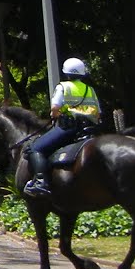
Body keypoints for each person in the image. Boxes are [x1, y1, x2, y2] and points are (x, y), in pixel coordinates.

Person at [23, 57, 104, 198]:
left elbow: (55, 108)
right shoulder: (90, 89)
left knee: (36, 148)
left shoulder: (63, 87)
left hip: (69, 128)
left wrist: (55, 115)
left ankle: (40, 182)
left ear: (66, 73)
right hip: (89, 129)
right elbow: (98, 113)